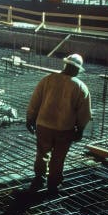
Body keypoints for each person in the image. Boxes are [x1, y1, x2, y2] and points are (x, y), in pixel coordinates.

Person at [26, 53, 92, 197]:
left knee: (42, 153)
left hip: (43, 125)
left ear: (66, 65)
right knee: (58, 157)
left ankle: (39, 178)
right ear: (76, 69)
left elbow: (35, 101)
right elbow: (84, 113)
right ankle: (53, 184)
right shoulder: (80, 87)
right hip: (64, 128)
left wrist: (30, 118)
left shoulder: (47, 80)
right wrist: (80, 129)